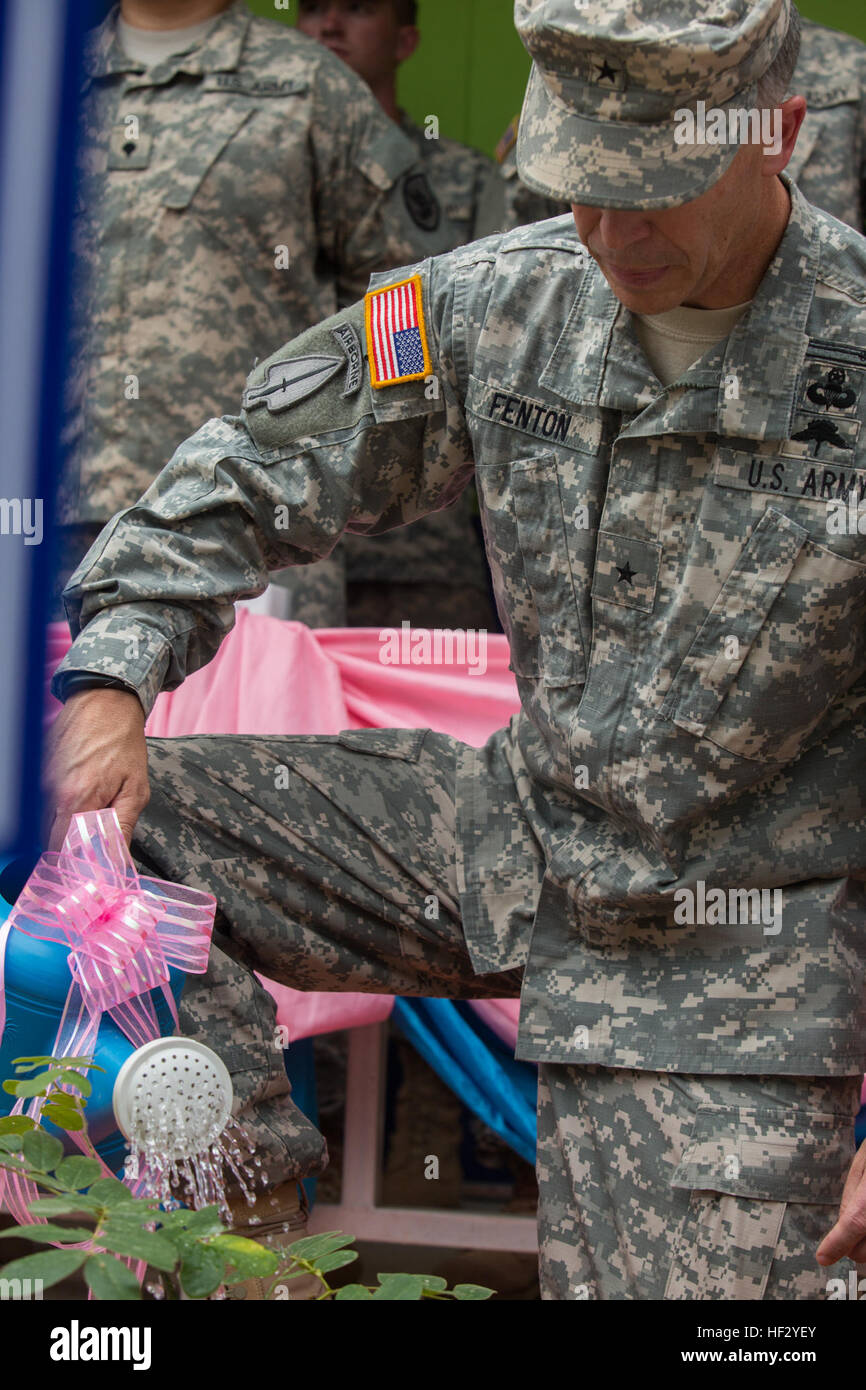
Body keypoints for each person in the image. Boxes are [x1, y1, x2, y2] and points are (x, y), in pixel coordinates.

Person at [47, 0, 866, 1299]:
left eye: (648, 193)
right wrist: (111, 672)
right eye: (580, 188)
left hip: (740, 958)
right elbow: (246, 464)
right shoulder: (492, 298)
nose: (610, 234)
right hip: (516, 836)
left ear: (777, 134)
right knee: (103, 828)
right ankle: (244, 1250)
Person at [55, 0, 459, 611]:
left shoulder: (310, 86)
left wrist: (353, 470)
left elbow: (410, 301)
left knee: (252, 709)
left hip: (248, 529)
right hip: (43, 525)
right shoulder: (41, 85)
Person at [287, 0, 498, 628]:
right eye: (311, 8)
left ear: (406, 41)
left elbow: (494, 351)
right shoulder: (257, 178)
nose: (328, 25)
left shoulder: (460, 180)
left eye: (356, 9)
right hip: (277, 529)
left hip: (421, 547)